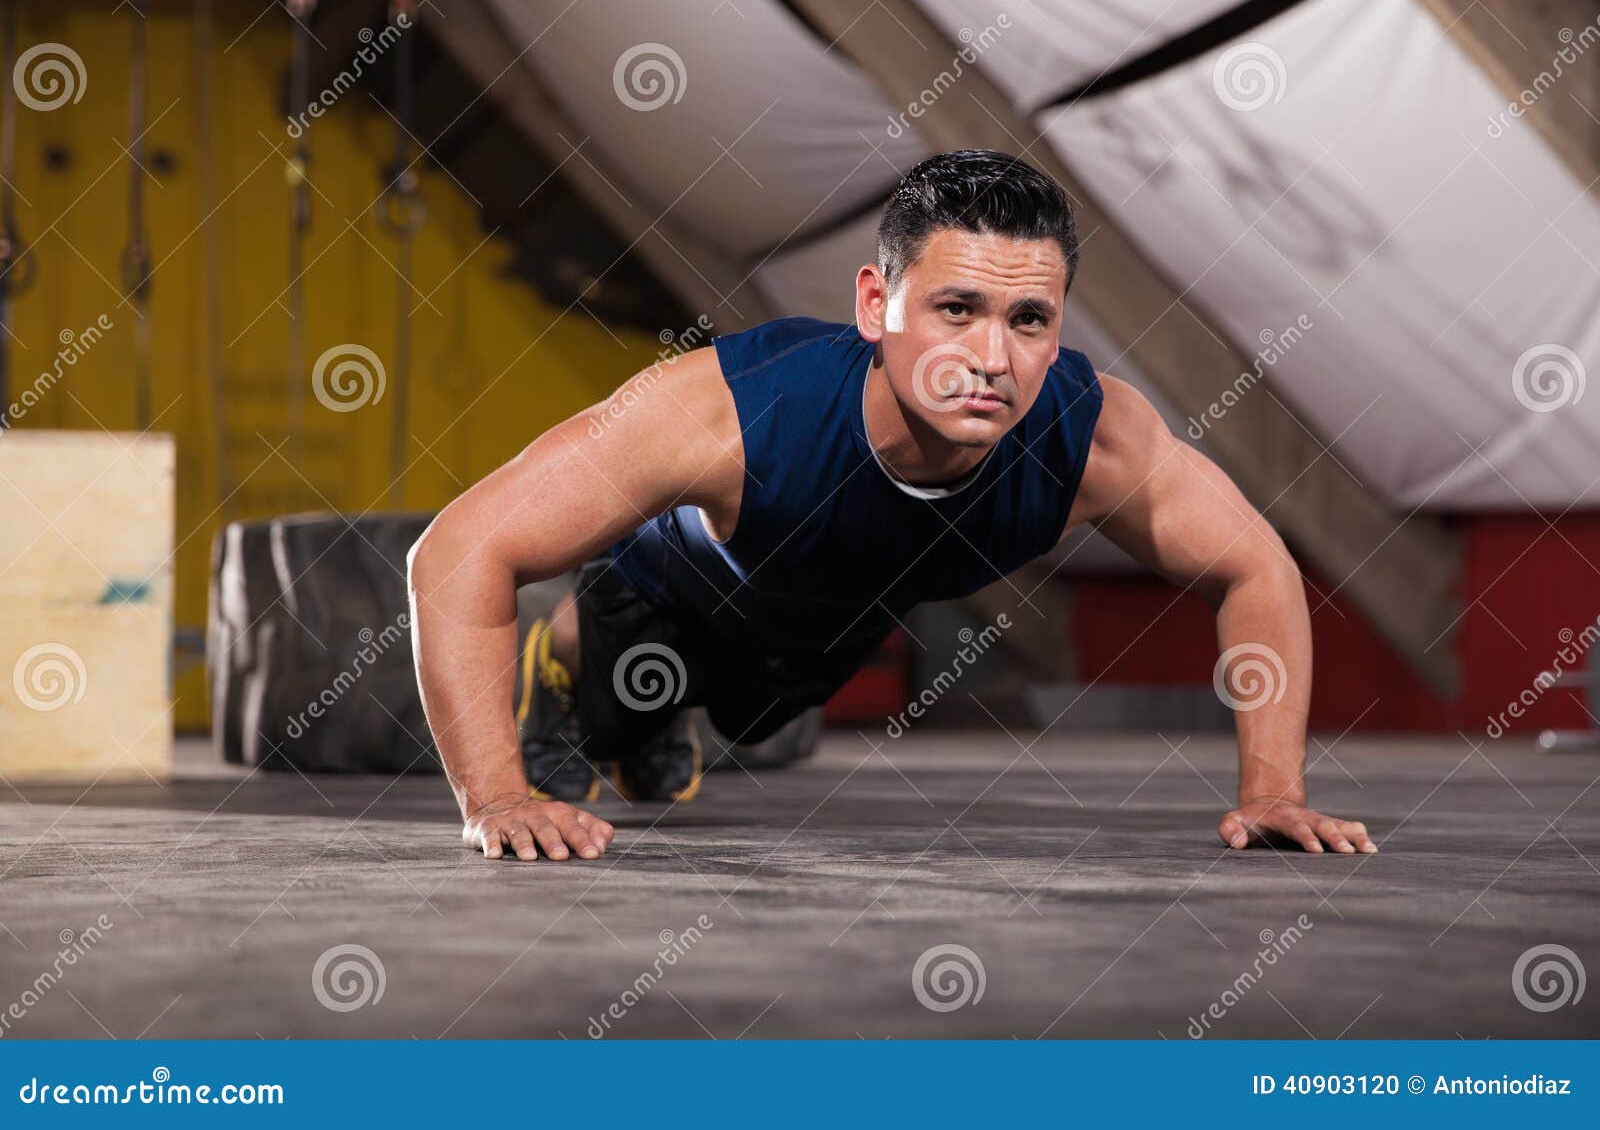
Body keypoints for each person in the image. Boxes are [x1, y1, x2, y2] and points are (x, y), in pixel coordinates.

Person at [406, 149, 1377, 864]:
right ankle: (569, 661)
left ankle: (679, 707)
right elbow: (456, 552)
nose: (992, 358)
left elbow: (1256, 568)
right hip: (672, 585)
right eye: (956, 308)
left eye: (1028, 319)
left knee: (755, 716)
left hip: (822, 627)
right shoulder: (722, 412)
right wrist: (491, 794)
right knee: (630, 691)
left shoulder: (1097, 440)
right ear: (877, 305)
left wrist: (1273, 790)